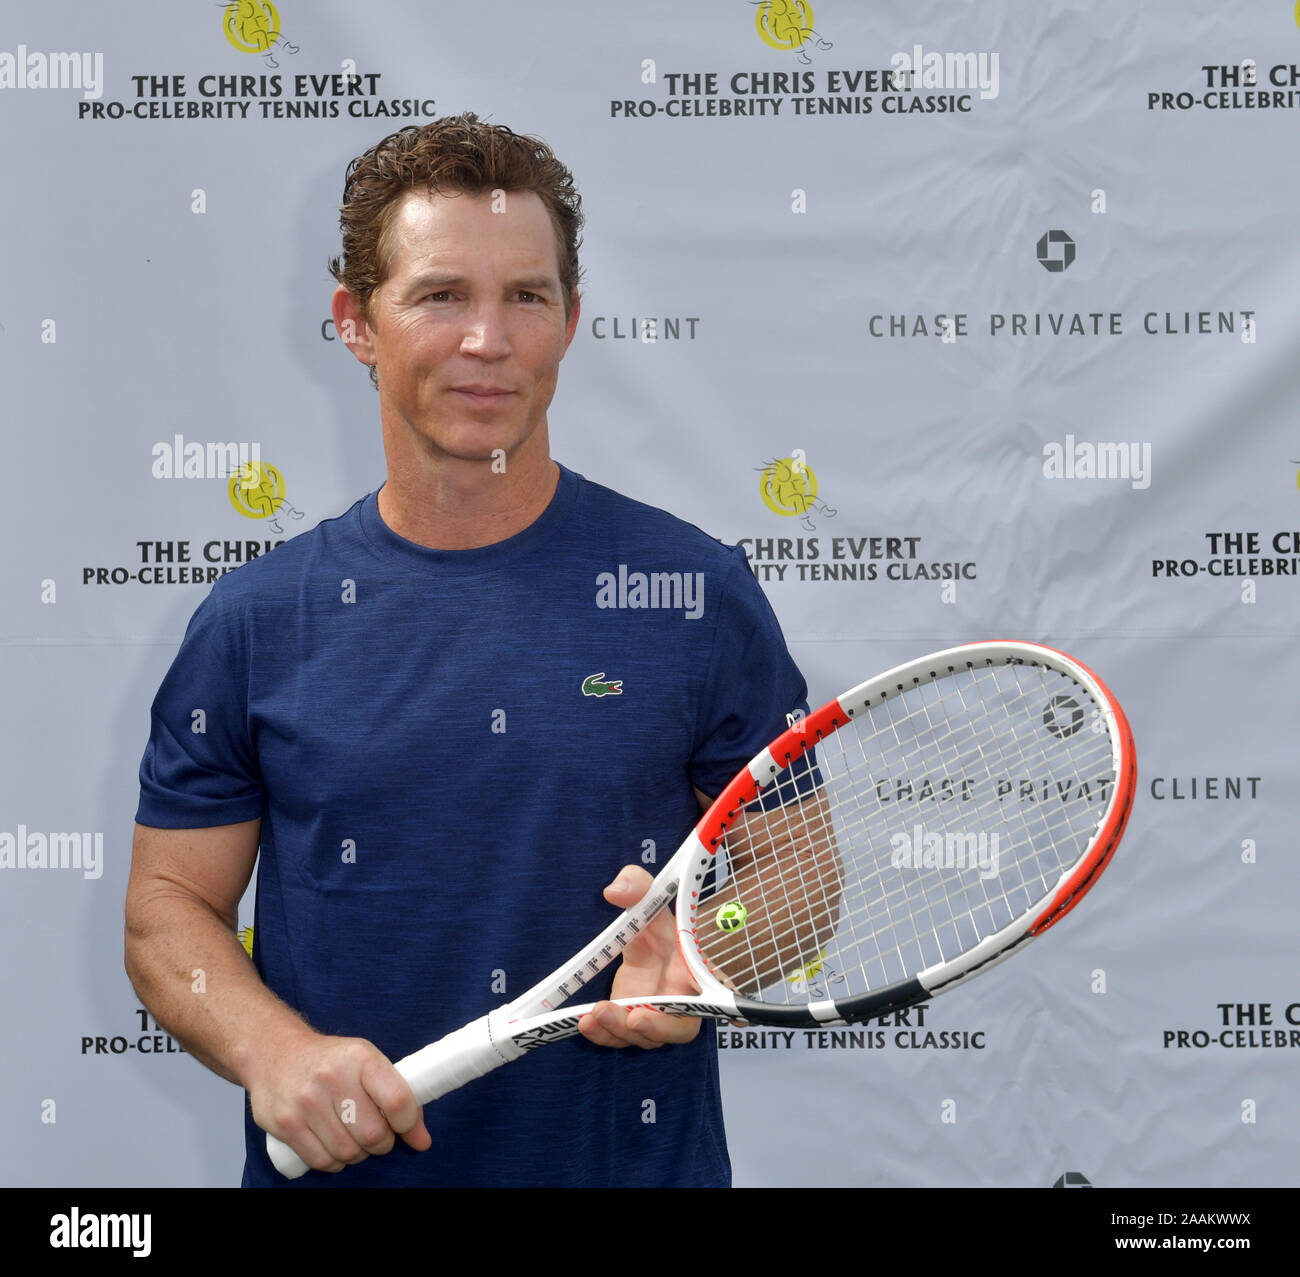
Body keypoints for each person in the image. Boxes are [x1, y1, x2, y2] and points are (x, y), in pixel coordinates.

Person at [124, 114, 810, 1187]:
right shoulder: (258, 618)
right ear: (357, 322)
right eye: (441, 295)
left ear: (570, 321)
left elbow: (800, 868)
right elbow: (167, 911)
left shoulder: (694, 592)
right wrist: (273, 1051)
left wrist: (710, 938)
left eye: (525, 296)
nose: (488, 339)